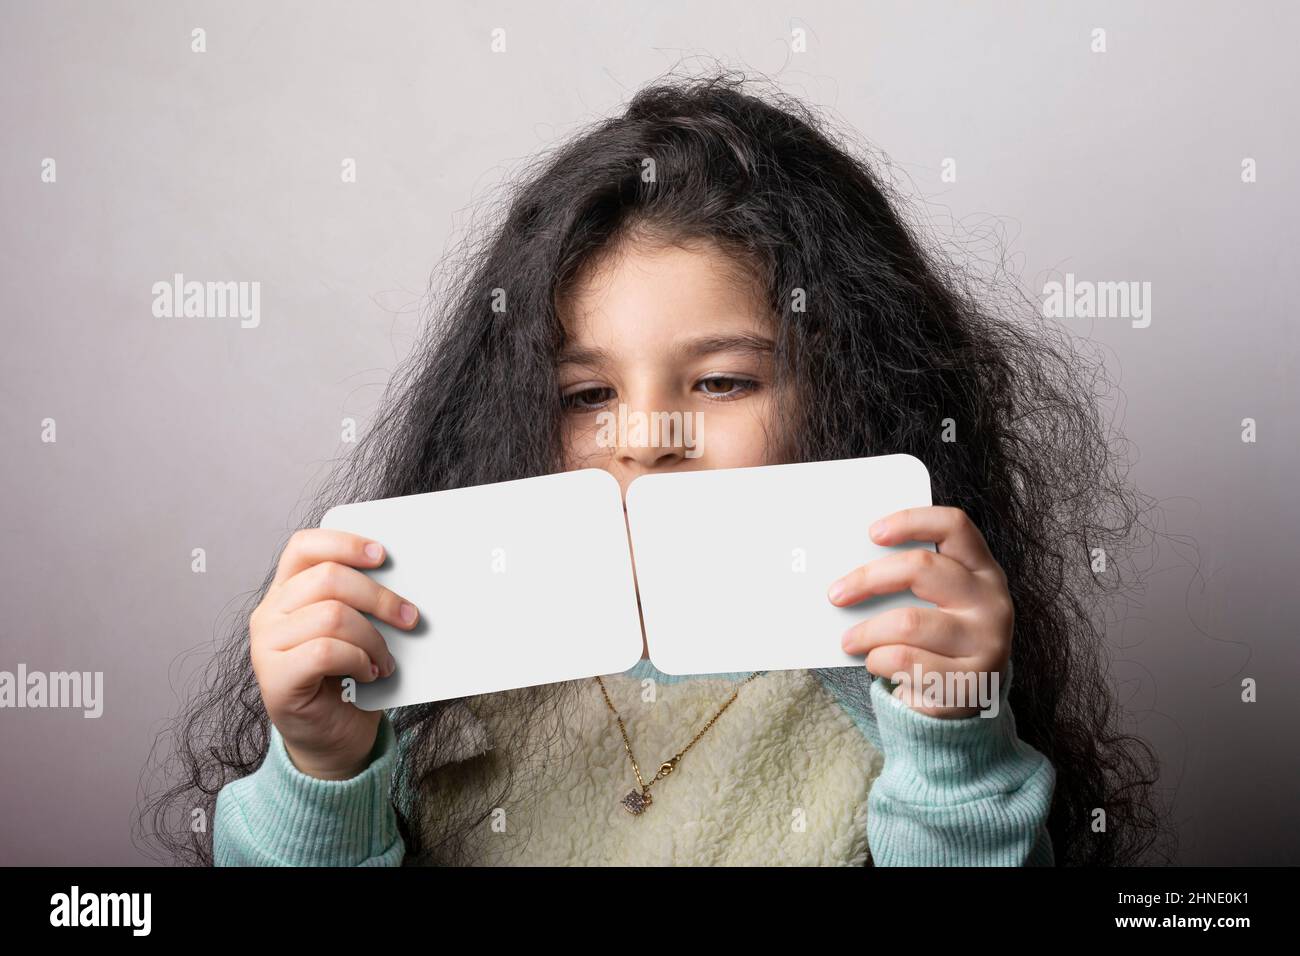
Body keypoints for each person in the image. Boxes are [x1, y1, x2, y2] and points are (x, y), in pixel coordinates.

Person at [140, 70, 1167, 866]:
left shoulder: (894, 689)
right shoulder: (435, 684)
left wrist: (950, 741)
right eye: (587, 394)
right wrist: (323, 765)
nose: (646, 436)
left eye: (721, 382)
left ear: (850, 388)